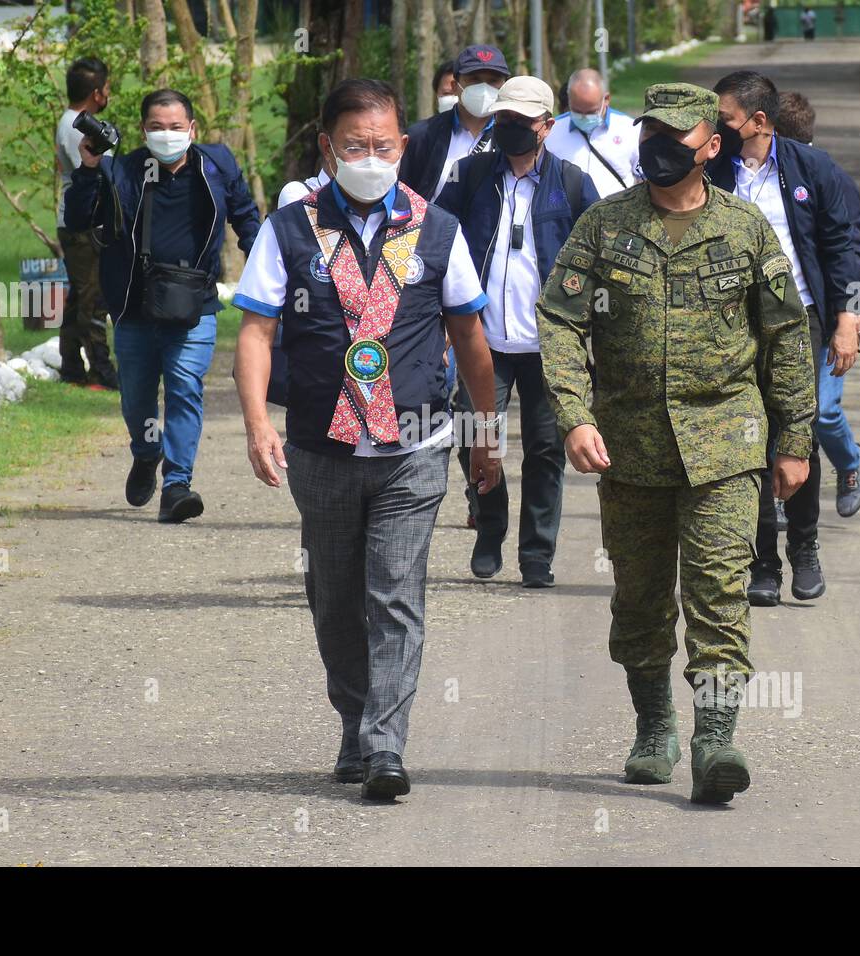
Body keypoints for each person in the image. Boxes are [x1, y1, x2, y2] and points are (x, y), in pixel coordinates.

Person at [537, 82, 815, 805]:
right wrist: (574, 412)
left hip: (726, 442)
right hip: (628, 447)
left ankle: (715, 739)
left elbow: (786, 337)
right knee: (640, 601)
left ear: (711, 147)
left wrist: (794, 440)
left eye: (676, 139)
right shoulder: (604, 226)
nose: (658, 151)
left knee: (719, 590)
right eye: (649, 136)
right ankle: (654, 727)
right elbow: (560, 319)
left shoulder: (747, 230)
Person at [233, 79, 502, 801]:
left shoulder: (437, 228)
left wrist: (486, 430)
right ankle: (355, 725)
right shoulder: (290, 227)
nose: (372, 157)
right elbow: (257, 330)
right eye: (355, 146)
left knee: (394, 593)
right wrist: (257, 423)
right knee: (335, 598)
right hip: (320, 449)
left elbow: (470, 338)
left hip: (413, 449)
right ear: (327, 147)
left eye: (384, 146)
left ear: (404, 147)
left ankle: (385, 748)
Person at [707, 70, 860, 605]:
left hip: (801, 321)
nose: (717, 128)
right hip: (732, 323)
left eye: (725, 119)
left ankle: (804, 546)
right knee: (749, 439)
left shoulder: (812, 168)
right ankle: (762, 562)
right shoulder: (709, 168)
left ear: (758, 120)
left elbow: (844, 245)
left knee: (799, 432)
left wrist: (848, 317)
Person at [65, 89, 261, 523]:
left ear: (192, 129)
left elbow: (246, 216)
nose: (167, 135)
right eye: (157, 127)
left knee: (184, 388)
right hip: (134, 307)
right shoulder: (123, 169)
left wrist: (268, 269)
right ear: (142, 130)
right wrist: (88, 168)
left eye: (176, 127)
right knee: (136, 399)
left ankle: (177, 485)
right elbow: (79, 219)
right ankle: (146, 450)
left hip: (194, 304)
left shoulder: (218, 164)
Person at [436, 76, 598, 587]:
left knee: (546, 447)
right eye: (501, 119)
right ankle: (489, 527)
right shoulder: (469, 175)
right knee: (473, 433)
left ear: (547, 127)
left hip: (550, 343)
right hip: (482, 338)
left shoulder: (573, 183)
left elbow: (597, 261)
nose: (507, 129)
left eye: (520, 122)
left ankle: (536, 553)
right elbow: (434, 242)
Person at [775, 89, 860, 520]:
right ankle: (778, 493)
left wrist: (851, 315)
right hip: (779, 318)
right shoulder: (756, 176)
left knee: (824, 411)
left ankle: (850, 463)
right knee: (780, 411)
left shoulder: (827, 176)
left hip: (830, 318)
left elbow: (852, 250)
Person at [55, 57, 118, 390]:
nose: (108, 93)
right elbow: (92, 176)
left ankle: (71, 367)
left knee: (80, 296)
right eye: (106, 87)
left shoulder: (74, 120)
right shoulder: (76, 125)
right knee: (94, 297)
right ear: (96, 92)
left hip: (77, 223)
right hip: (83, 225)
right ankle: (101, 372)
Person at [398, 44, 510, 200]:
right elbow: (402, 196)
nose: (484, 89)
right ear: (455, 86)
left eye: (493, 81)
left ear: (504, 86)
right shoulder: (421, 136)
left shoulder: (513, 138)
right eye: (474, 80)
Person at [543, 68, 642, 199]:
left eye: (591, 112)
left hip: (617, 215)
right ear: (569, 99)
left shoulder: (631, 129)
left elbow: (645, 177)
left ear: (606, 99)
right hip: (567, 216)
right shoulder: (551, 131)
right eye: (577, 111)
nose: (583, 117)